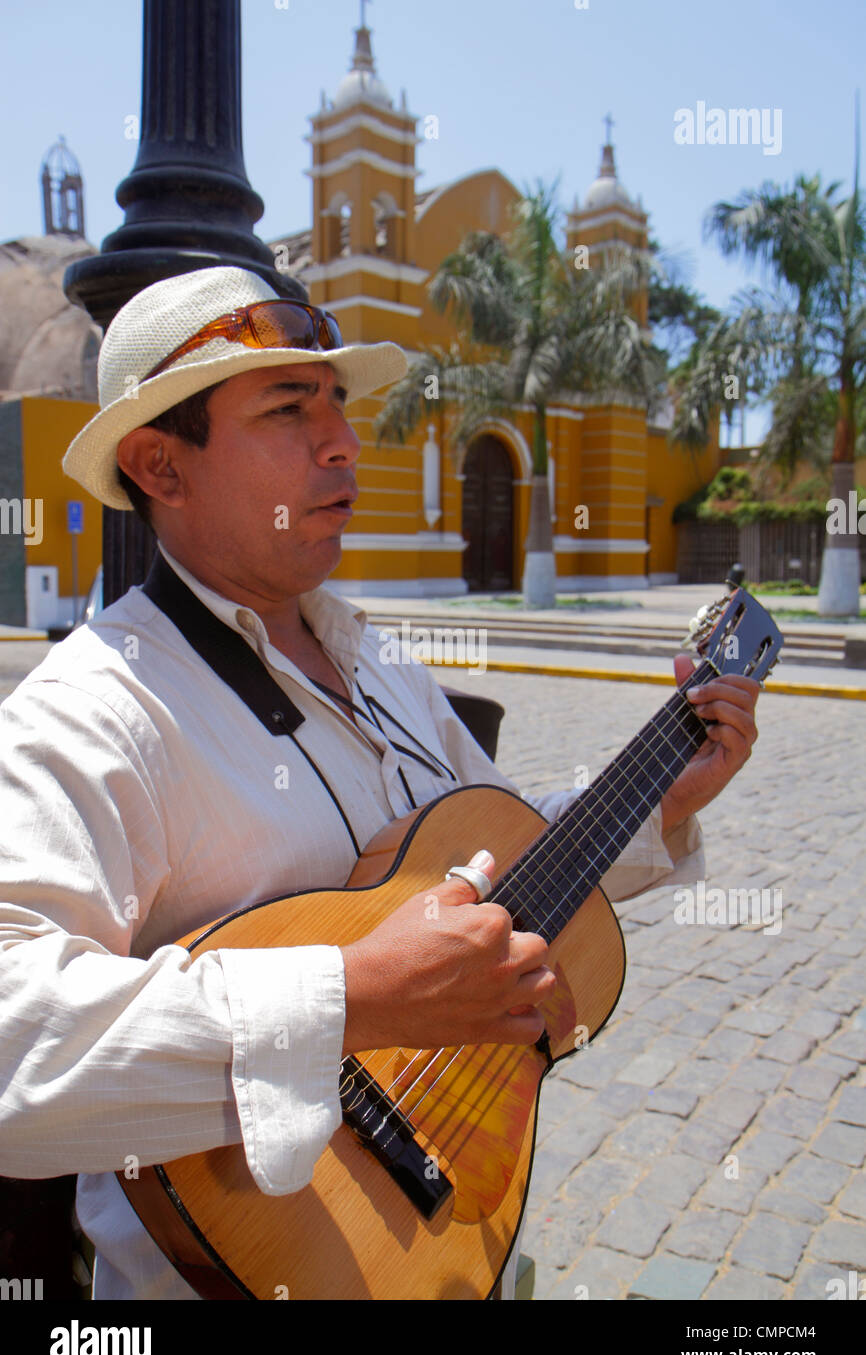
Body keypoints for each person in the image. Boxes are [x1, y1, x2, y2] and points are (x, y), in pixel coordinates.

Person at [0, 266, 759, 1301]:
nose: (342, 442)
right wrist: (349, 996)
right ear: (160, 468)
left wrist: (663, 790)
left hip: (444, 1241)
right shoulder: (89, 709)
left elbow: (504, 854)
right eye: (286, 407)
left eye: (339, 406)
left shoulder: (381, 662)